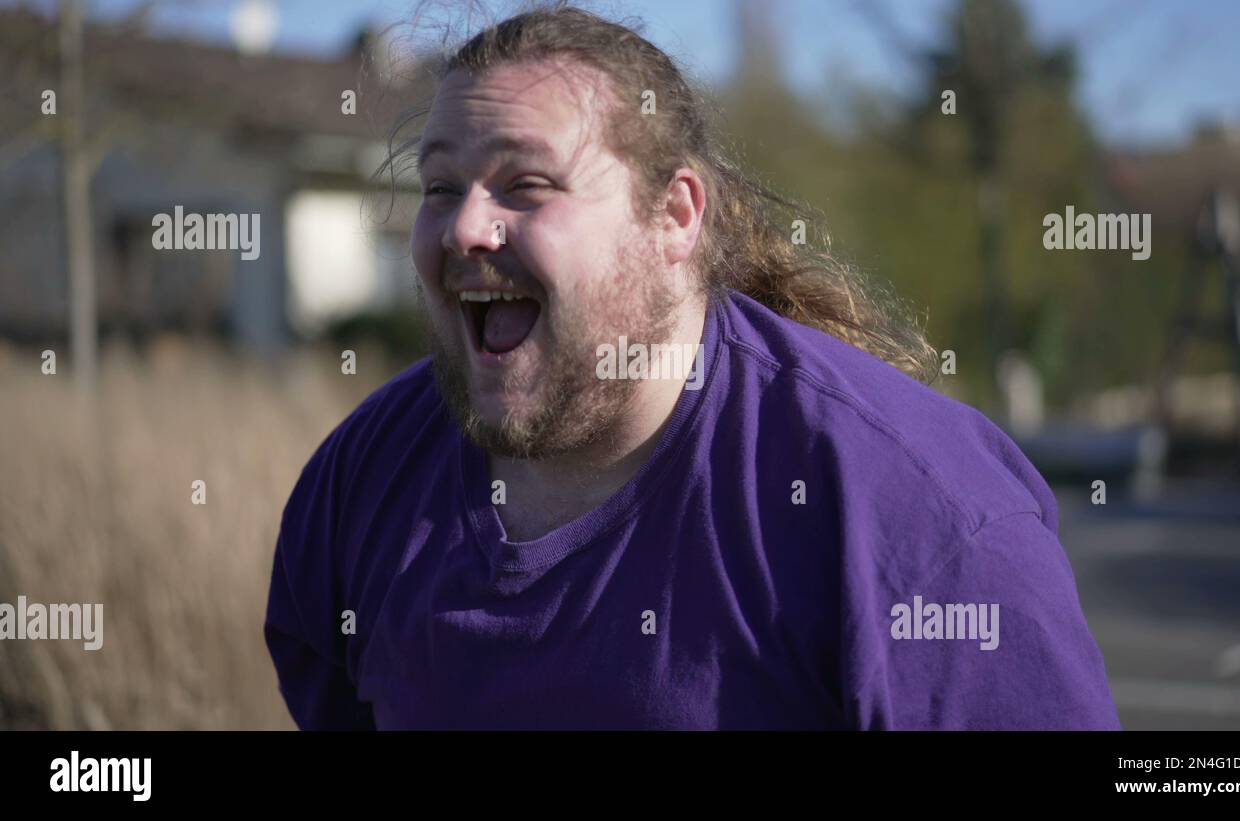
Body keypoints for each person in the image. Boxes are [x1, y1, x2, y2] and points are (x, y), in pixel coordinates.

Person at [264, 4, 1121, 730]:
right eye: (441, 188)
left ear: (674, 217)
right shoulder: (361, 483)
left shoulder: (915, 516)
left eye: (524, 186)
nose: (462, 230)